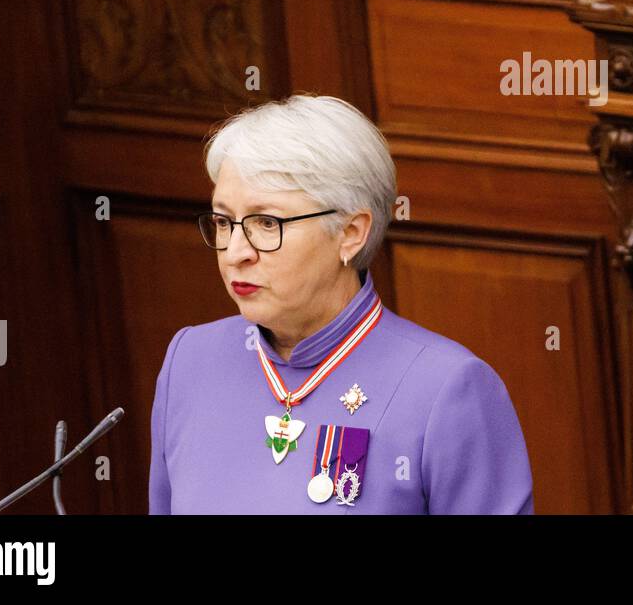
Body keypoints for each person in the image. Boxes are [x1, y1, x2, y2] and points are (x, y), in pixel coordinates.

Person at [149, 94, 533, 513]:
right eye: (225, 221)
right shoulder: (191, 360)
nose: (235, 251)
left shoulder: (448, 388)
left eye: (266, 223)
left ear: (350, 233)